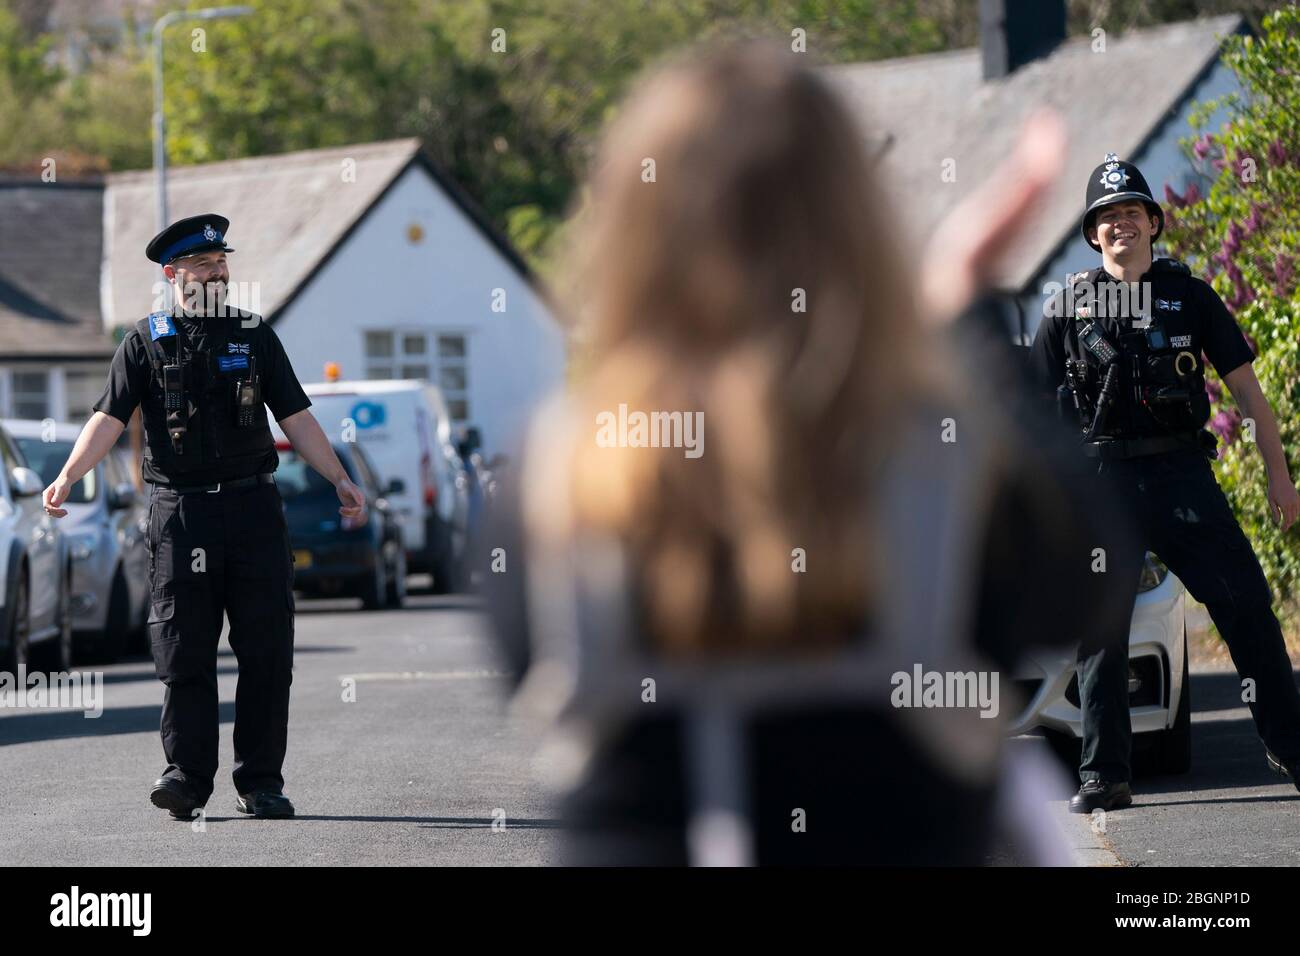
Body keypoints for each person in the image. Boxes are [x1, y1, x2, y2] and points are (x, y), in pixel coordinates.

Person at [484, 41, 1133, 865]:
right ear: (857, 222)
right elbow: (1093, 578)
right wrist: (961, 319)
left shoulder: (549, 479)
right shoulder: (952, 464)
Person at [41, 213, 367, 821]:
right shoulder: (144, 341)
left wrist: (341, 479)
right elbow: (108, 419)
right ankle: (187, 778)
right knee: (184, 651)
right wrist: (67, 475)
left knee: (266, 650)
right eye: (204, 266)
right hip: (180, 514)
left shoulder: (254, 335)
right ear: (174, 275)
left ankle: (261, 783)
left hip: (253, 508)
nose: (218, 273)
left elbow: (295, 416)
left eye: (222, 264)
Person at [1029, 155, 1300, 813]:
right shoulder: (1067, 308)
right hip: (1101, 484)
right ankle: (1106, 775)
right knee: (1100, 635)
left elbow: (1248, 395)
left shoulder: (1191, 295)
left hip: (1182, 475)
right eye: (1107, 217)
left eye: (1131, 212)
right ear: (1093, 235)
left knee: (1246, 606)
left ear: (1153, 223)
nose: (1120, 224)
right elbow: (1028, 417)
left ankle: (1290, 743)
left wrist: (1280, 476)